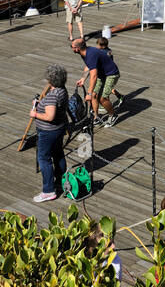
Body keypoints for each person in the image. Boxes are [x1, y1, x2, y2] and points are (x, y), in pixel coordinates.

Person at [31, 64, 69, 202]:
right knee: (58, 154)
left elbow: (49, 116)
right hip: (59, 129)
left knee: (44, 159)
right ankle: (60, 182)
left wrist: (34, 113)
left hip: (48, 131)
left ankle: (48, 190)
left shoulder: (52, 95)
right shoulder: (62, 90)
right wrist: (41, 103)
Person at [72, 37, 118, 126]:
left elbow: (94, 76)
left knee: (102, 98)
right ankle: (96, 117)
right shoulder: (84, 53)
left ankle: (113, 115)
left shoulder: (90, 54)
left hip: (111, 74)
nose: (71, 48)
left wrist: (88, 93)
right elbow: (88, 66)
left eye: (72, 46)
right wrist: (83, 79)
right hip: (102, 74)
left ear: (77, 49)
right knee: (94, 95)